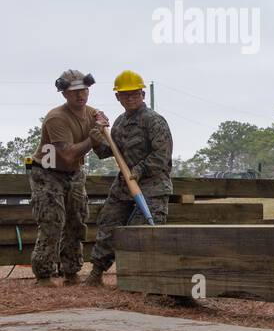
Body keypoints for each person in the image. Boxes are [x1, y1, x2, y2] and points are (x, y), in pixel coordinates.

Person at [85, 71, 173, 286]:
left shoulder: (154, 121)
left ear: (142, 94)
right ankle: (96, 273)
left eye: (134, 94)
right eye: (125, 95)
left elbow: (162, 155)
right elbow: (109, 151)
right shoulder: (119, 123)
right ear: (118, 98)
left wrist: (138, 170)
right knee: (108, 224)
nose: (130, 98)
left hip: (152, 186)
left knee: (141, 232)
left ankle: (142, 280)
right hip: (124, 186)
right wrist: (97, 139)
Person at [27, 69, 109, 286]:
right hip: (47, 170)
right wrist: (94, 136)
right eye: (74, 92)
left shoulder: (93, 115)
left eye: (84, 90)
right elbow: (69, 153)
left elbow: (102, 150)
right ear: (64, 94)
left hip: (73, 172)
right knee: (52, 221)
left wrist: (104, 132)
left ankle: (71, 272)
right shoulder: (56, 118)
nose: (80, 95)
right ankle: (43, 276)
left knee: (77, 220)